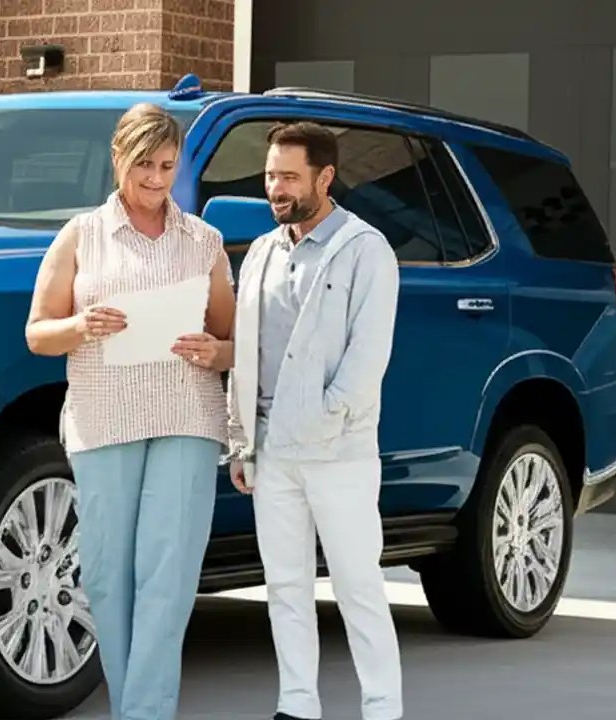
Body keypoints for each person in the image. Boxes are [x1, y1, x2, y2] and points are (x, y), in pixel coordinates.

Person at [25, 102, 236, 720]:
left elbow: (232, 340)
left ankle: (143, 714)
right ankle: (134, 708)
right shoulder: (80, 236)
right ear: (119, 158)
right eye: (144, 164)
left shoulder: (204, 242)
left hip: (186, 418)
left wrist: (214, 349)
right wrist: (82, 325)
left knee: (166, 581)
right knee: (108, 578)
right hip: (102, 418)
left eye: (167, 165)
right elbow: (38, 333)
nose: (155, 178)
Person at [225, 121, 403, 720]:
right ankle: (297, 704)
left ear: (325, 178)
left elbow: (366, 360)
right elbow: (246, 354)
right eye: (271, 174)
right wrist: (241, 443)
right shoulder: (260, 255)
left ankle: (382, 707)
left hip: (339, 455)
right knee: (286, 589)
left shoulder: (366, 250)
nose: (275, 187)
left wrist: (323, 422)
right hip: (271, 454)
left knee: (358, 588)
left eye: (289, 177)